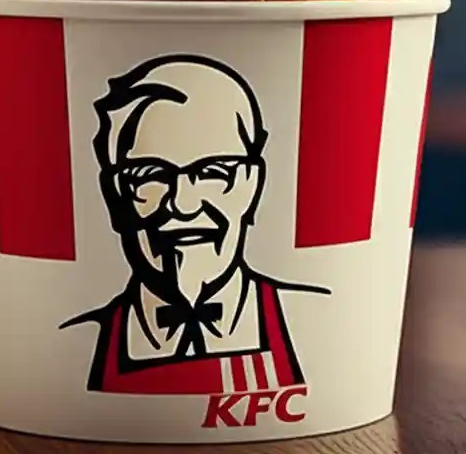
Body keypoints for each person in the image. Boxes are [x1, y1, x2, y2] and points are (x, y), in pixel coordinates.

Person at [63, 55, 327, 395]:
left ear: (251, 185)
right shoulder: (72, 344)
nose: (183, 204)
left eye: (214, 172)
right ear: (115, 197)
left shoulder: (318, 321)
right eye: (150, 175)